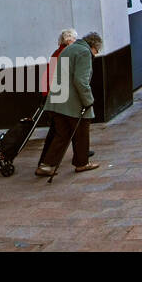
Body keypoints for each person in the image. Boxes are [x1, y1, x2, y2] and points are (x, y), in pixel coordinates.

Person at [37, 31, 102, 176]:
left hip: (57, 98)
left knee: (62, 134)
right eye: (97, 51)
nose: (96, 54)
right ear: (93, 46)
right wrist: (88, 100)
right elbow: (81, 80)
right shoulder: (84, 53)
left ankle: (47, 165)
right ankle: (82, 163)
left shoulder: (68, 49)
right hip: (72, 102)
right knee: (82, 132)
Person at [37, 29, 77, 171]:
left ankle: (80, 153)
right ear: (68, 41)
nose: (75, 43)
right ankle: (45, 162)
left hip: (50, 93)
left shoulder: (57, 52)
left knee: (61, 128)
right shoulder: (65, 53)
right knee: (60, 130)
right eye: (73, 40)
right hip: (56, 95)